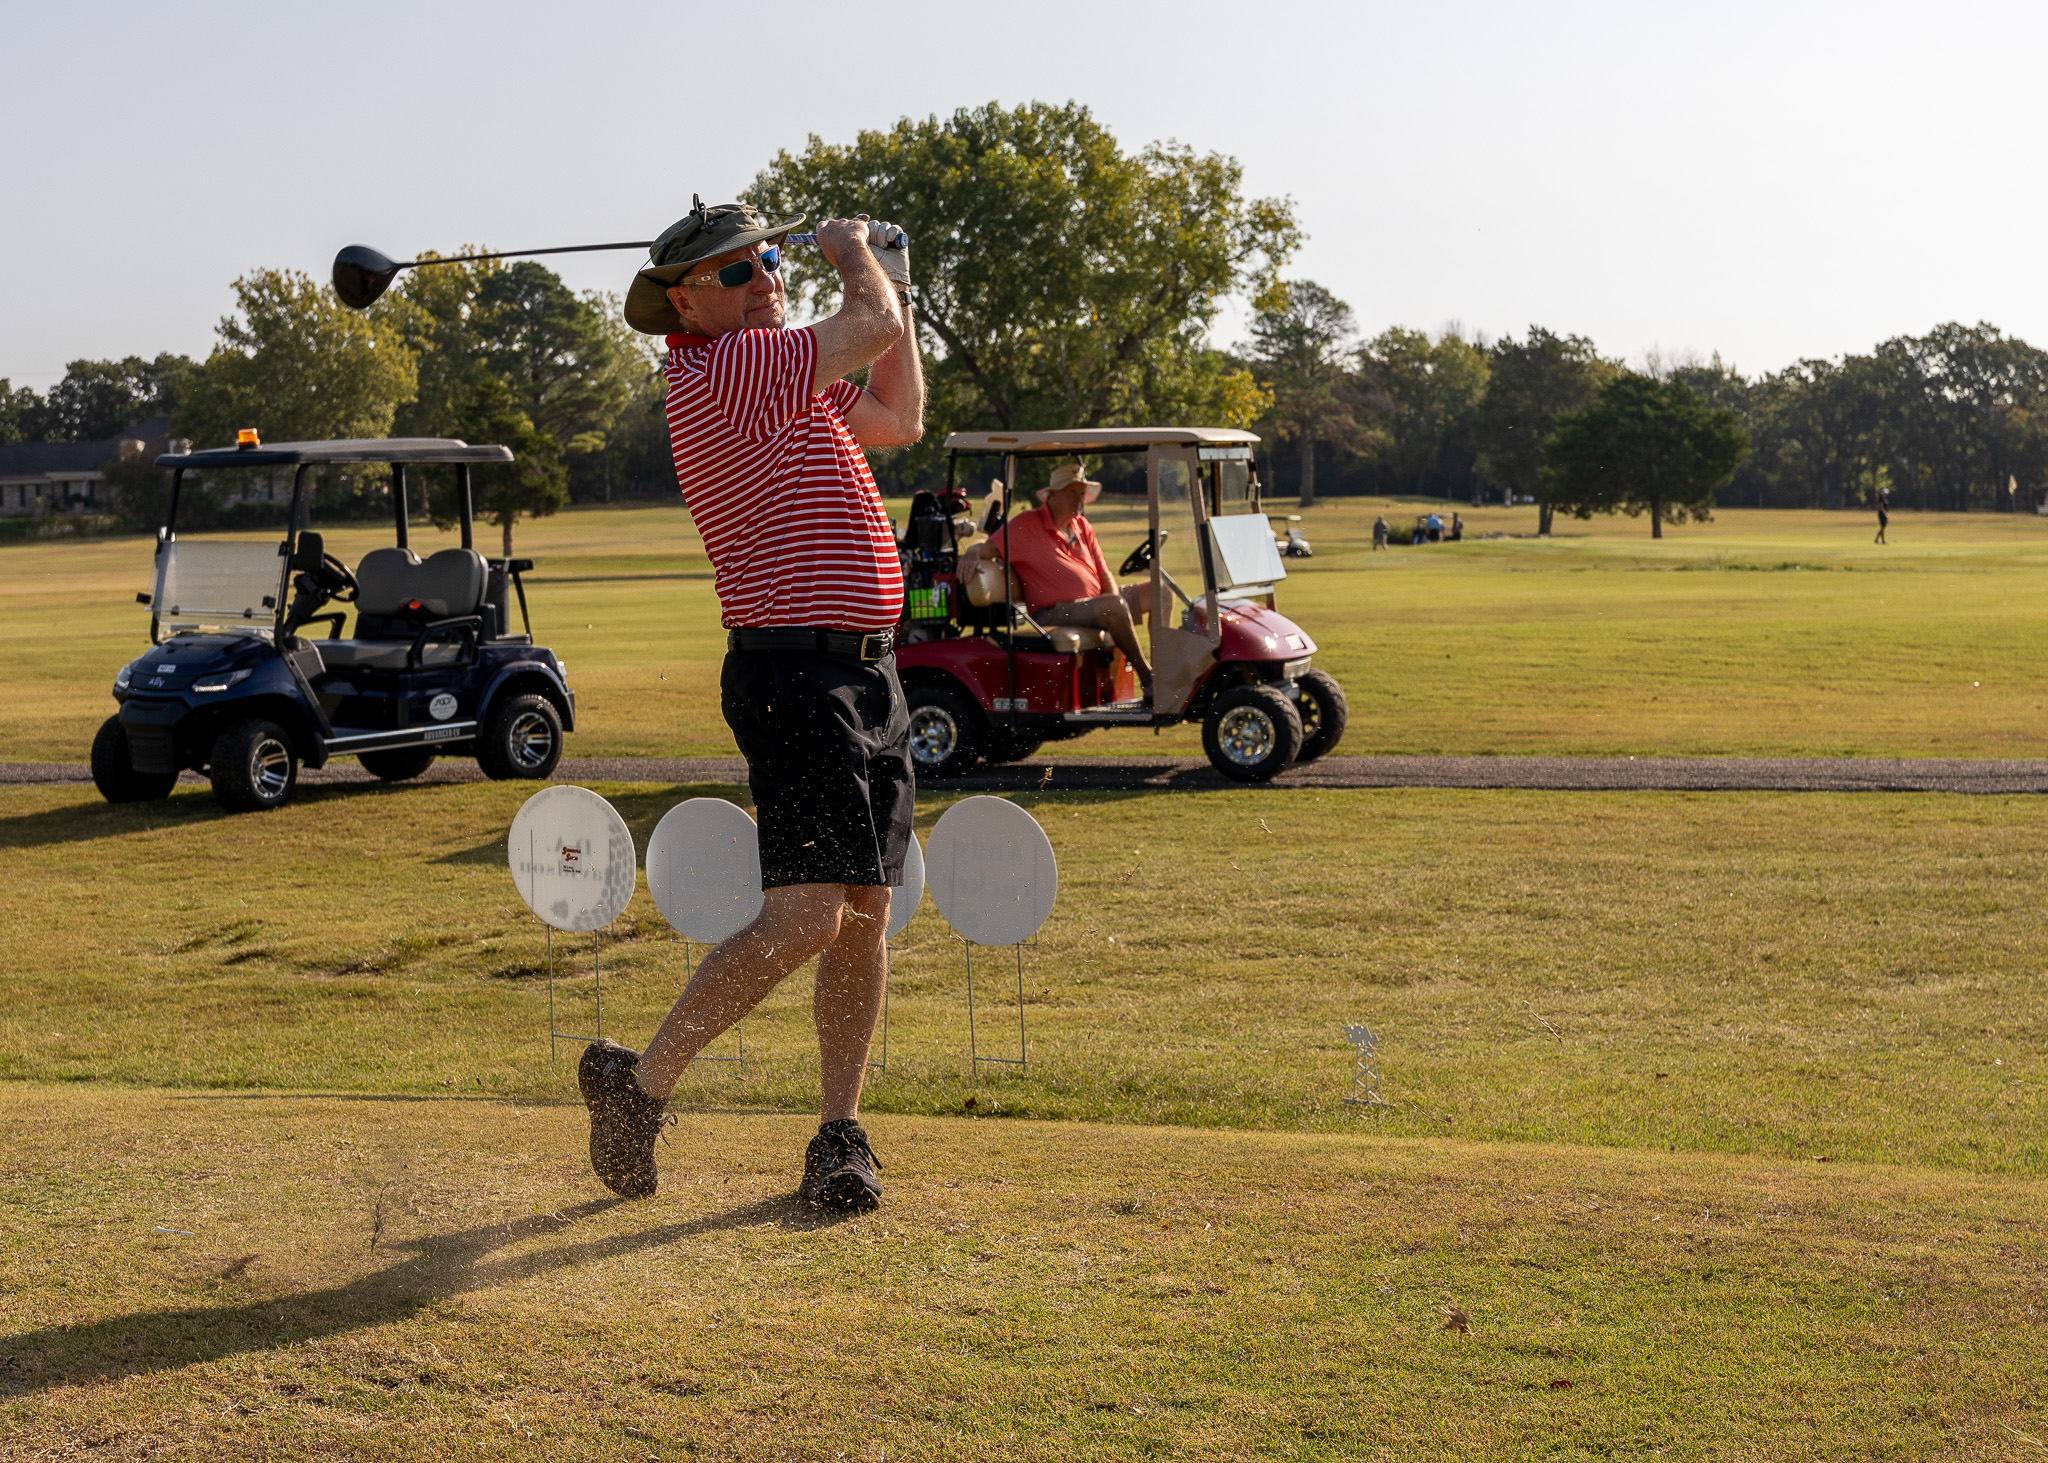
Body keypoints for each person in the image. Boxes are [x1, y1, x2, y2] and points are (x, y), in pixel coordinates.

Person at [577, 197, 925, 1211]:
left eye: (768, 259)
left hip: (867, 671)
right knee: (806, 913)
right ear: (684, 301)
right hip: (794, 671)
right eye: (736, 271)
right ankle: (639, 1084)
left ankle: (838, 1134)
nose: (764, 276)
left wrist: (891, 288)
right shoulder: (723, 369)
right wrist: (856, 257)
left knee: (864, 911)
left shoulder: (788, 381)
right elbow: (863, 331)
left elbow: (899, 415)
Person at [957, 463, 1153, 697]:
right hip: (1052, 612)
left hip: (1095, 604)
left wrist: (1110, 602)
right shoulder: (1027, 525)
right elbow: (987, 547)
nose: (1079, 500)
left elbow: (1103, 573)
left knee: (1158, 591)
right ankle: (1150, 680)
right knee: (1114, 606)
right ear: (1052, 495)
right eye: (1072, 492)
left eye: (1082, 494)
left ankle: (1164, 669)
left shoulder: (1081, 525)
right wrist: (971, 552)